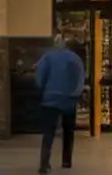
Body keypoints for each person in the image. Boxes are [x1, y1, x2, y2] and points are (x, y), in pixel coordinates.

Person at [35, 34, 86, 174]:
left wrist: (42, 89)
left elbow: (40, 77)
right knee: (68, 131)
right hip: (69, 100)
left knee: (48, 133)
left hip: (50, 99)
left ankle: (44, 163)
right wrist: (75, 93)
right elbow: (80, 79)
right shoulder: (75, 59)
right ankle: (66, 160)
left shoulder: (47, 57)